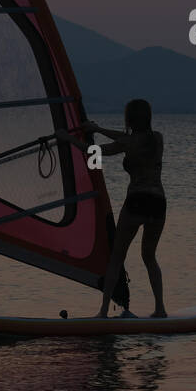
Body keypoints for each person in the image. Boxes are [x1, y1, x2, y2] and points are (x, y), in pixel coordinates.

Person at [57, 99, 167, 318]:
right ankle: (160, 309)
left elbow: (94, 151)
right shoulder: (157, 139)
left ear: (129, 119)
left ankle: (103, 312)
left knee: (116, 257)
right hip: (158, 203)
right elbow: (128, 139)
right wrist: (97, 129)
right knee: (149, 257)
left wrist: (67, 138)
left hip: (137, 201)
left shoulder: (128, 143)